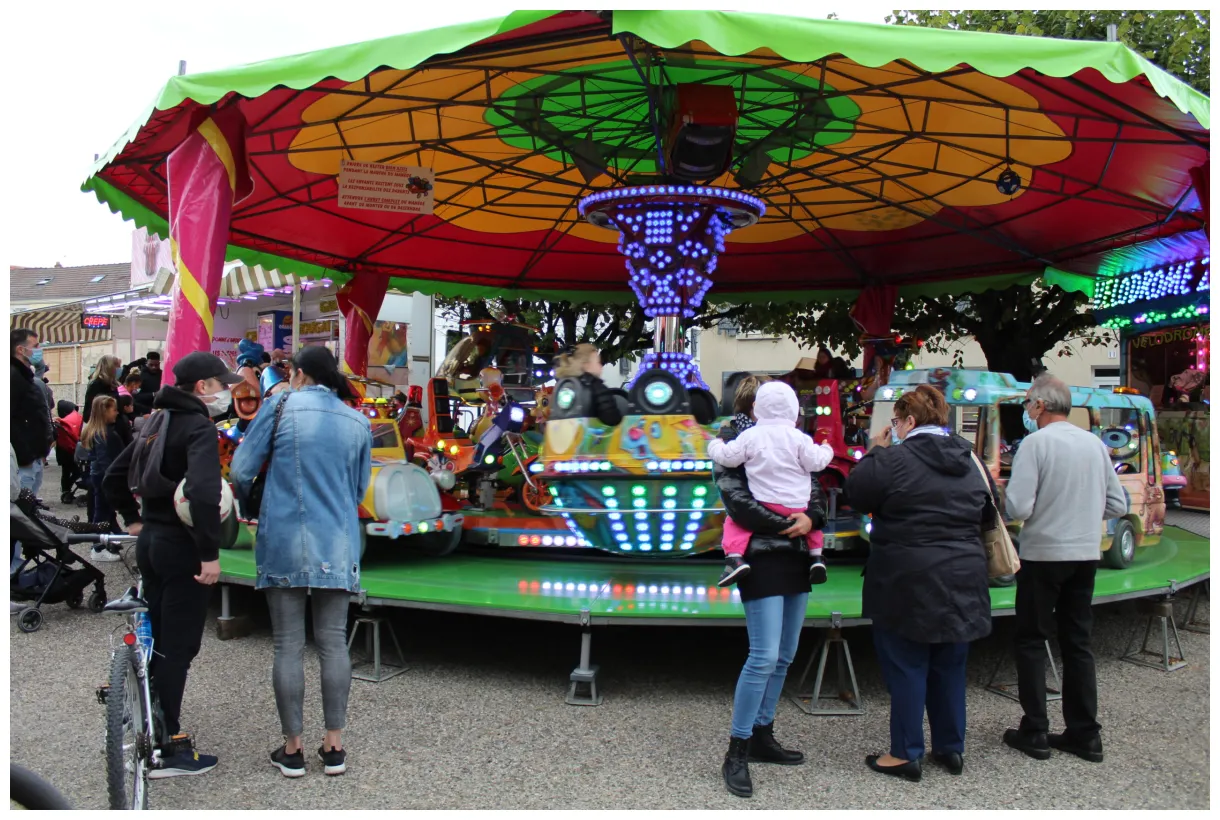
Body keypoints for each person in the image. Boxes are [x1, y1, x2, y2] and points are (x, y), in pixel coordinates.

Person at [229, 346, 371, 779]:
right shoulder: (358, 421)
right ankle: (334, 746)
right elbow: (359, 489)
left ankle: (293, 749)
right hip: (338, 542)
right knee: (333, 642)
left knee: (287, 644)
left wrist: (255, 499)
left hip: (285, 536)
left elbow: (241, 470)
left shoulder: (280, 406)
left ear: (300, 373)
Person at [104, 351, 244, 778]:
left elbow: (113, 476)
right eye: (221, 384)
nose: (226, 392)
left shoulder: (155, 421)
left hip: (151, 543)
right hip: (183, 549)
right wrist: (209, 553)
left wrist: (133, 518)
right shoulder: (197, 427)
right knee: (178, 647)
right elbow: (203, 491)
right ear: (202, 387)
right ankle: (166, 746)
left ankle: (149, 722)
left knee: (160, 639)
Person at [843, 384, 994, 782]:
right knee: (950, 665)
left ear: (909, 421)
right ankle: (950, 747)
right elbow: (991, 511)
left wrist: (875, 451)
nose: (894, 427)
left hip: (906, 576)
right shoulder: (970, 458)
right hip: (963, 574)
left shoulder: (893, 459)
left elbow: (856, 494)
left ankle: (906, 753)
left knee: (907, 665)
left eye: (896, 421)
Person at [1002, 374, 1127, 764]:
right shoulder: (1094, 444)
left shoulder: (1035, 444)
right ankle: (1085, 733)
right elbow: (1118, 504)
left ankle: (1035, 729)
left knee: (1031, 640)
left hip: (1042, 554)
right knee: (1078, 642)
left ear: (1040, 405)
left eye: (1028, 403)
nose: (1026, 409)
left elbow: (1018, 507)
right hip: (1085, 552)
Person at [715, 376, 826, 799]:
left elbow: (814, 485)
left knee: (785, 654)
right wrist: (788, 523)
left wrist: (812, 518)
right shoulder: (735, 443)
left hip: (796, 551)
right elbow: (734, 499)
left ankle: (762, 732)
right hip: (761, 553)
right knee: (763, 655)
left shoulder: (791, 439)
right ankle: (737, 749)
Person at [707, 380, 834, 587]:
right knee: (812, 528)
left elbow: (728, 463)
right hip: (797, 506)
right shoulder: (799, 438)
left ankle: (734, 558)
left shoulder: (746, 438)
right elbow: (816, 466)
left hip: (766, 504)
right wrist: (827, 449)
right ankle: (817, 556)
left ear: (758, 407)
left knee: (734, 522)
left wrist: (714, 446)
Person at [80, 396, 125, 559]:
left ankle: (108, 537)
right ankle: (98, 547)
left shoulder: (99, 431)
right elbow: (104, 459)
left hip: (100, 475)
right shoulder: (102, 434)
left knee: (106, 509)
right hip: (103, 477)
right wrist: (112, 478)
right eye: (114, 410)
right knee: (101, 511)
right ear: (104, 411)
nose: (117, 413)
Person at [10, 329, 53, 498]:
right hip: (23, 461)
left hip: (33, 457)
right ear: (21, 350)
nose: (39, 350)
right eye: (35, 346)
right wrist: (26, 456)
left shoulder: (25, 376)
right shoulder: (13, 376)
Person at [553, 343, 623, 426]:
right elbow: (612, 418)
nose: (601, 366)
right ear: (586, 366)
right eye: (598, 362)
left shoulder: (563, 386)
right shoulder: (596, 386)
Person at [83, 354, 133, 448]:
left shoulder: (112, 385)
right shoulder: (96, 385)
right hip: (105, 432)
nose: (119, 369)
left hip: (117, 428)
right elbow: (88, 413)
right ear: (109, 367)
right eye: (117, 366)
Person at [54, 401, 84, 504]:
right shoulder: (65, 424)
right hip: (70, 450)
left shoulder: (62, 424)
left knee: (66, 471)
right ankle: (66, 490)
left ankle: (66, 490)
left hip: (65, 450)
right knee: (75, 471)